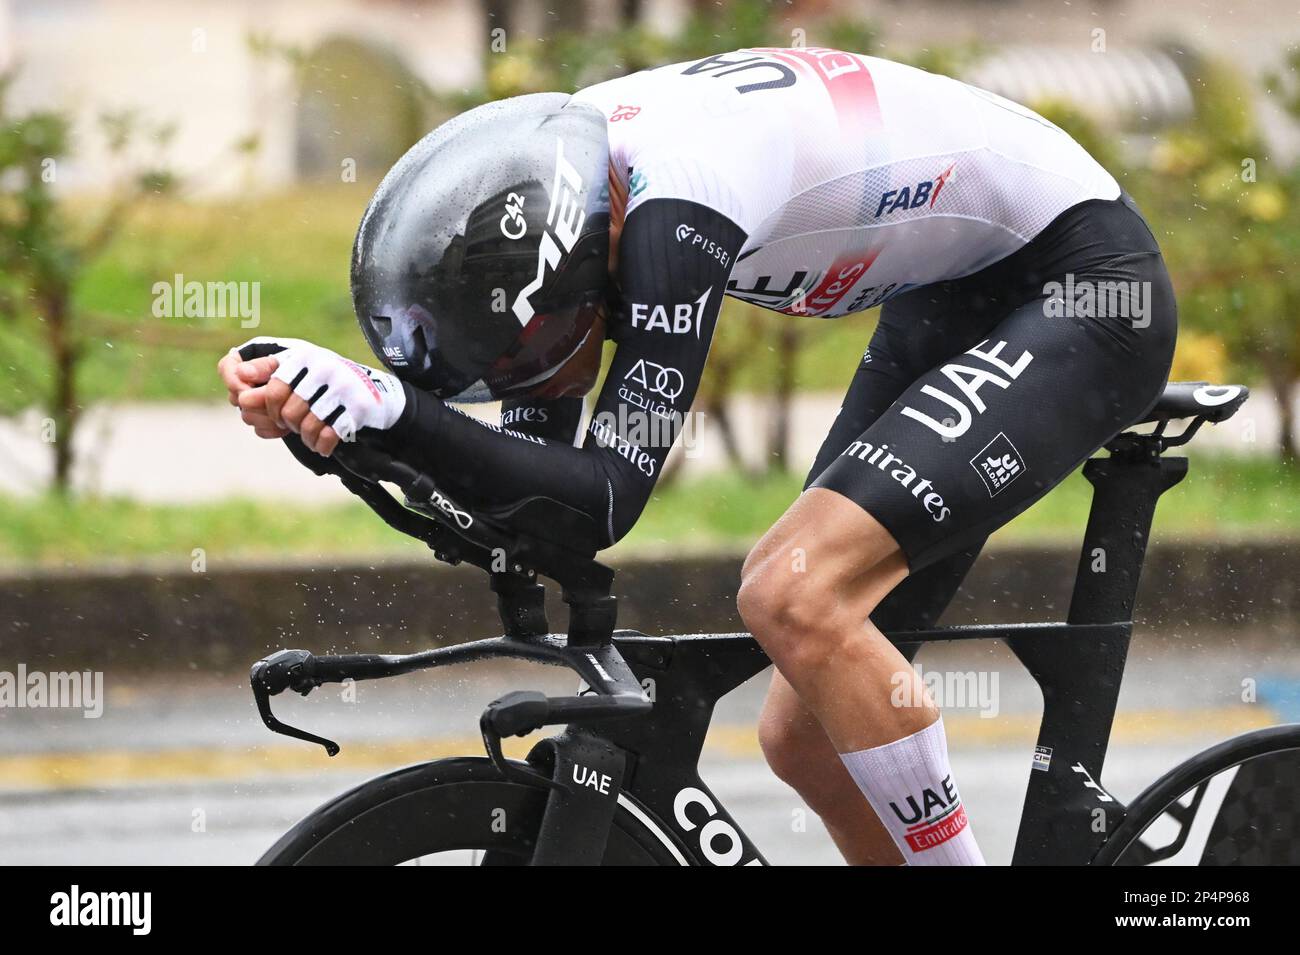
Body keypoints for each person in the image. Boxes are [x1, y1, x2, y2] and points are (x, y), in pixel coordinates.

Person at [218, 47, 1176, 865]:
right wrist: (356, 428)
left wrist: (393, 413)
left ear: (572, 285)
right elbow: (528, 501)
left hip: (1085, 291)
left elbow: (599, 501)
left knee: (793, 594)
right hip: (954, 295)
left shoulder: (675, 212)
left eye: (526, 350)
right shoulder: (566, 187)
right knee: (808, 735)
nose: (528, 377)